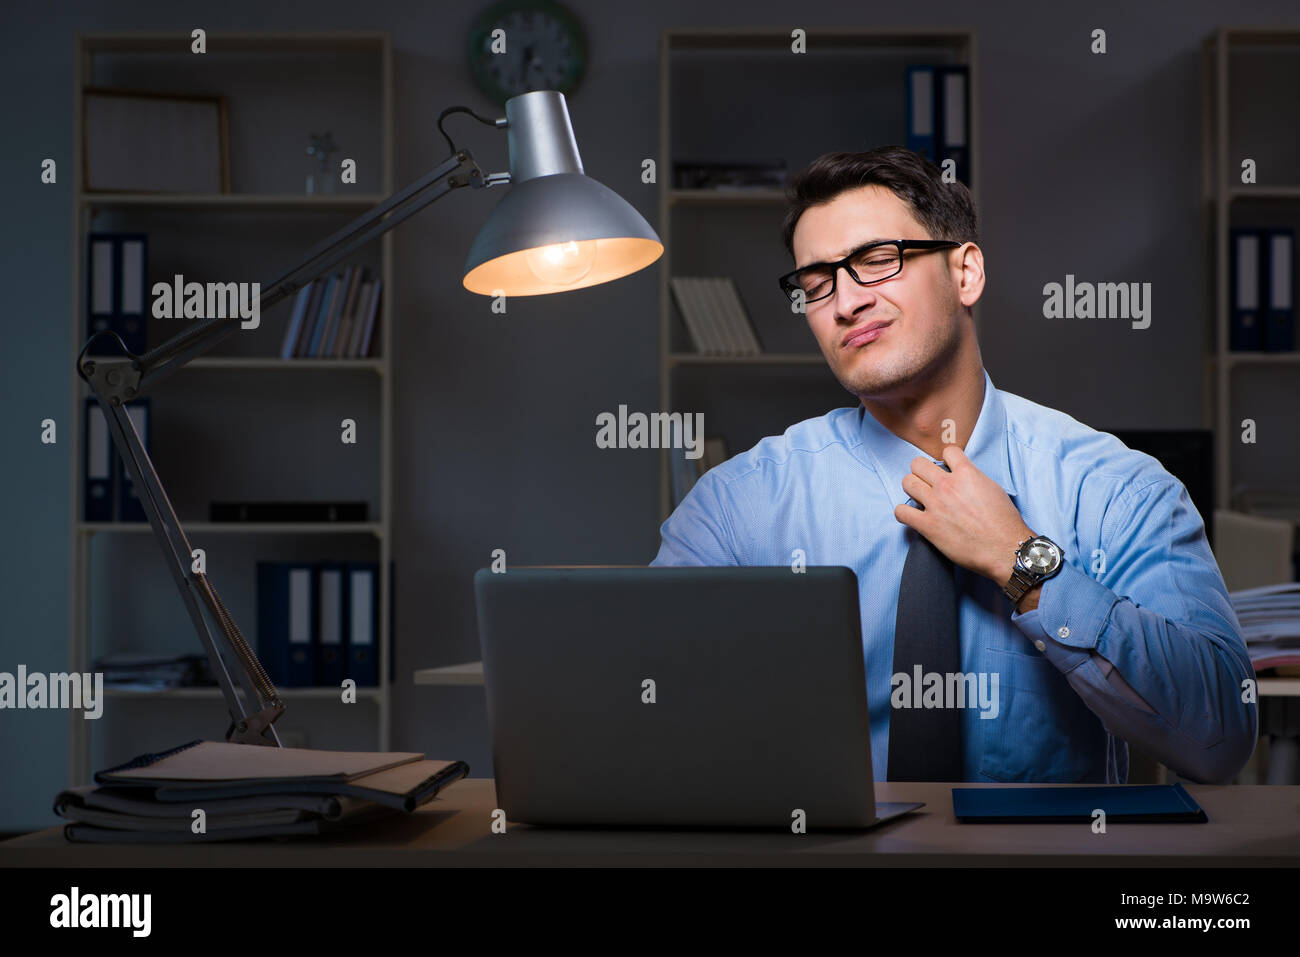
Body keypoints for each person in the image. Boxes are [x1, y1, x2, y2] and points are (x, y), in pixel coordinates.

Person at [650, 146, 1256, 784]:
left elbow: (1219, 739)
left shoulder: (1114, 489)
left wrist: (1022, 563)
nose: (843, 303)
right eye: (815, 283)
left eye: (878, 262)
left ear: (966, 273)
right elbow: (644, 716)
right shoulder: (737, 508)